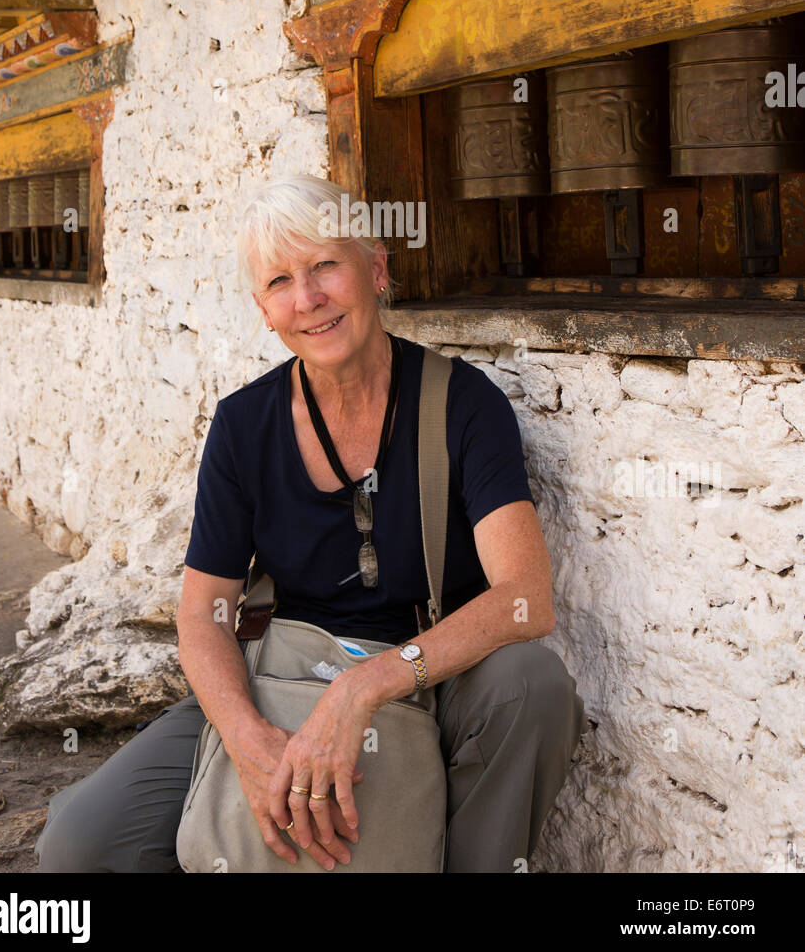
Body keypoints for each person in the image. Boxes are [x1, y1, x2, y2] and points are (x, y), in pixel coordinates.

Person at [36, 174, 585, 873]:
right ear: (264, 311)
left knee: (532, 685)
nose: (309, 299)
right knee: (81, 843)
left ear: (376, 269)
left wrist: (368, 685)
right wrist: (248, 740)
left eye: (326, 265)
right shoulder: (244, 425)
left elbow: (524, 599)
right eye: (280, 282)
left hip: (432, 675)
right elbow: (205, 615)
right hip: (285, 673)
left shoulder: (462, 404)